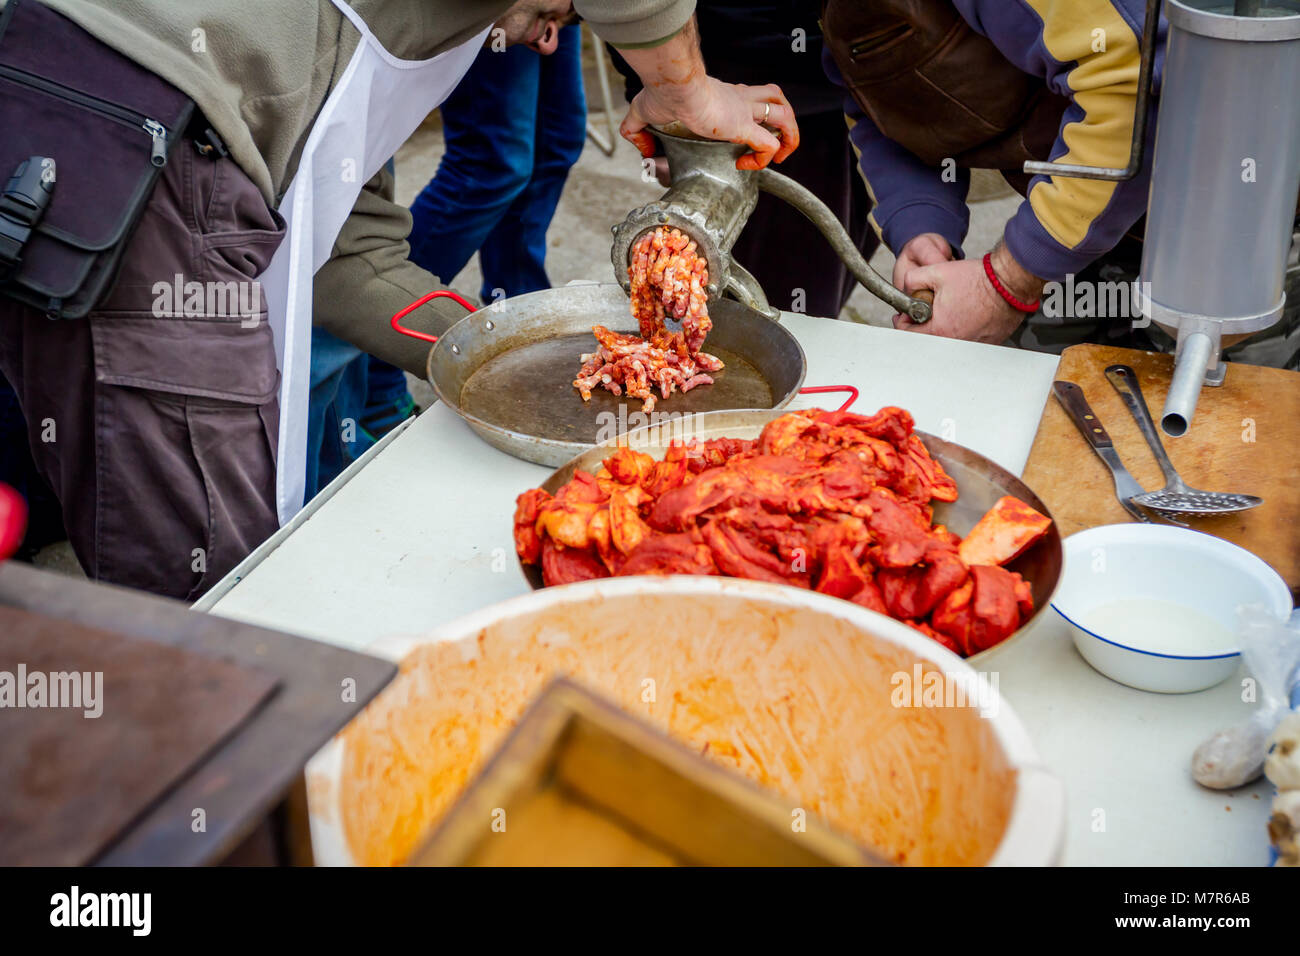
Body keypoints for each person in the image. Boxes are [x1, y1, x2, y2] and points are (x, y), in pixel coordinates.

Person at [0, 0, 799, 600]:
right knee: (210, 576)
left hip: (63, 129)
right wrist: (686, 90)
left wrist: (498, 347)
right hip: (135, 156)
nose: (551, 35)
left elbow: (347, 252)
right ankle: (230, 797)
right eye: (560, 11)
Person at [821, 0, 1299, 366]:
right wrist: (922, 225)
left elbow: (1136, 75)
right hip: (1089, 219)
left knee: (1229, 452)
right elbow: (874, 92)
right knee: (1043, 426)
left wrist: (1006, 281)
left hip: (1240, 215)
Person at [610, 0, 874, 319]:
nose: (551, 41)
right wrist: (663, 94)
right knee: (788, 314)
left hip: (834, 88)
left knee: (812, 298)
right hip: (738, 90)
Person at [408, 23, 587, 302]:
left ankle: (518, 299)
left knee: (555, 141)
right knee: (489, 163)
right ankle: (386, 312)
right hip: (486, 9)